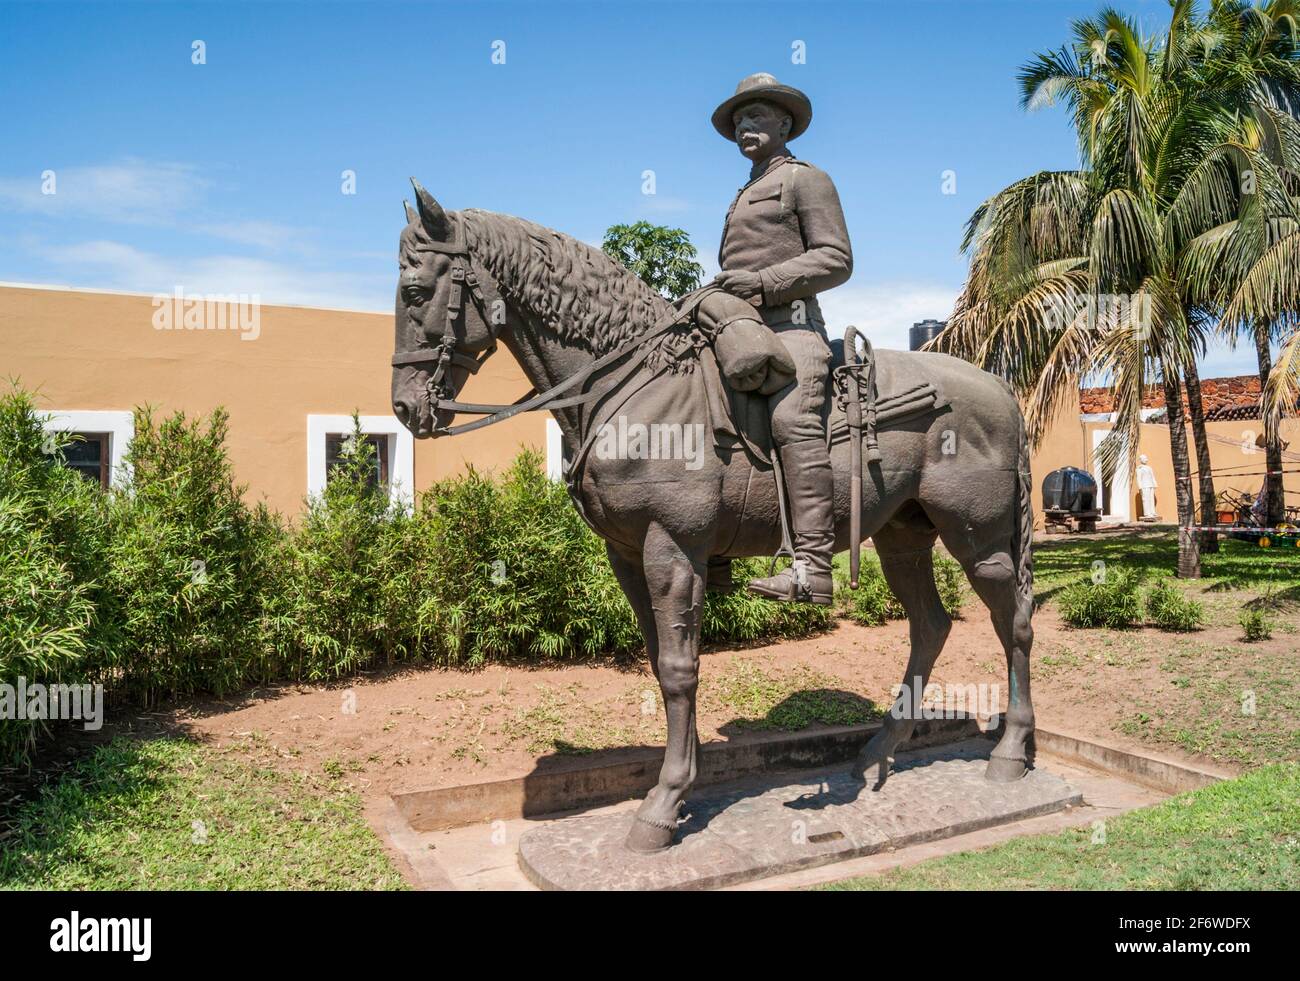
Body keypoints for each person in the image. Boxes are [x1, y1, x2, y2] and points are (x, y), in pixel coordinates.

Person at [710, 72, 853, 604]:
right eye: (739, 118)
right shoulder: (743, 194)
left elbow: (836, 259)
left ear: (785, 122)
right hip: (740, 330)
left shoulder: (805, 179)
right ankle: (715, 550)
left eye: (757, 115)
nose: (745, 124)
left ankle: (812, 567)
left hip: (792, 328)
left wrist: (764, 284)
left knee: (791, 418)